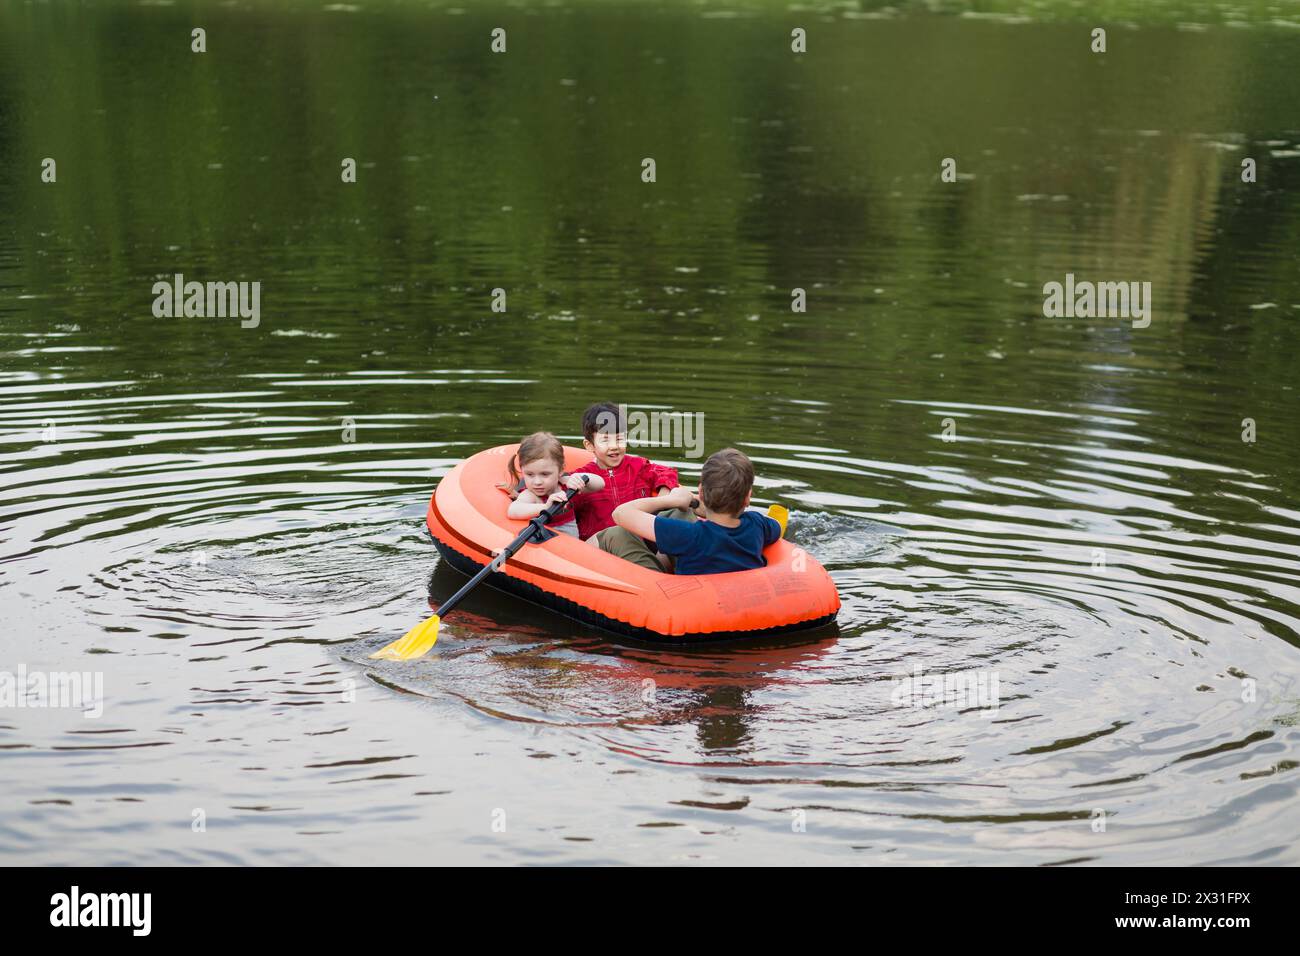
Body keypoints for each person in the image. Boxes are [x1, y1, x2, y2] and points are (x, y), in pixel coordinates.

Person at [611, 448, 781, 574]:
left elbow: (620, 513)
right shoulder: (757, 524)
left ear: (700, 492)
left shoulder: (687, 535)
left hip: (690, 608)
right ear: (748, 497)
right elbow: (777, 527)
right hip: (744, 607)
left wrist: (670, 500)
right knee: (679, 514)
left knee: (617, 534)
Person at [570, 402, 693, 569]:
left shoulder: (638, 467)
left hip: (642, 545)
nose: (614, 446)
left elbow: (666, 473)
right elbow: (559, 506)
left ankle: (693, 569)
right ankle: (653, 581)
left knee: (680, 510)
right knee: (619, 531)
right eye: (605, 440)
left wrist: (665, 499)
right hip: (603, 551)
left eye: (619, 438)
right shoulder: (581, 479)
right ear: (589, 445)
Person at [499, 432, 603, 538]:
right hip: (548, 549)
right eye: (530, 474)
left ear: (561, 470)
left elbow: (600, 484)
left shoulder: (566, 486)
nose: (537, 482)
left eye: (545, 474)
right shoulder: (531, 495)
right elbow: (513, 511)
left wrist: (579, 478)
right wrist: (546, 507)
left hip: (572, 547)